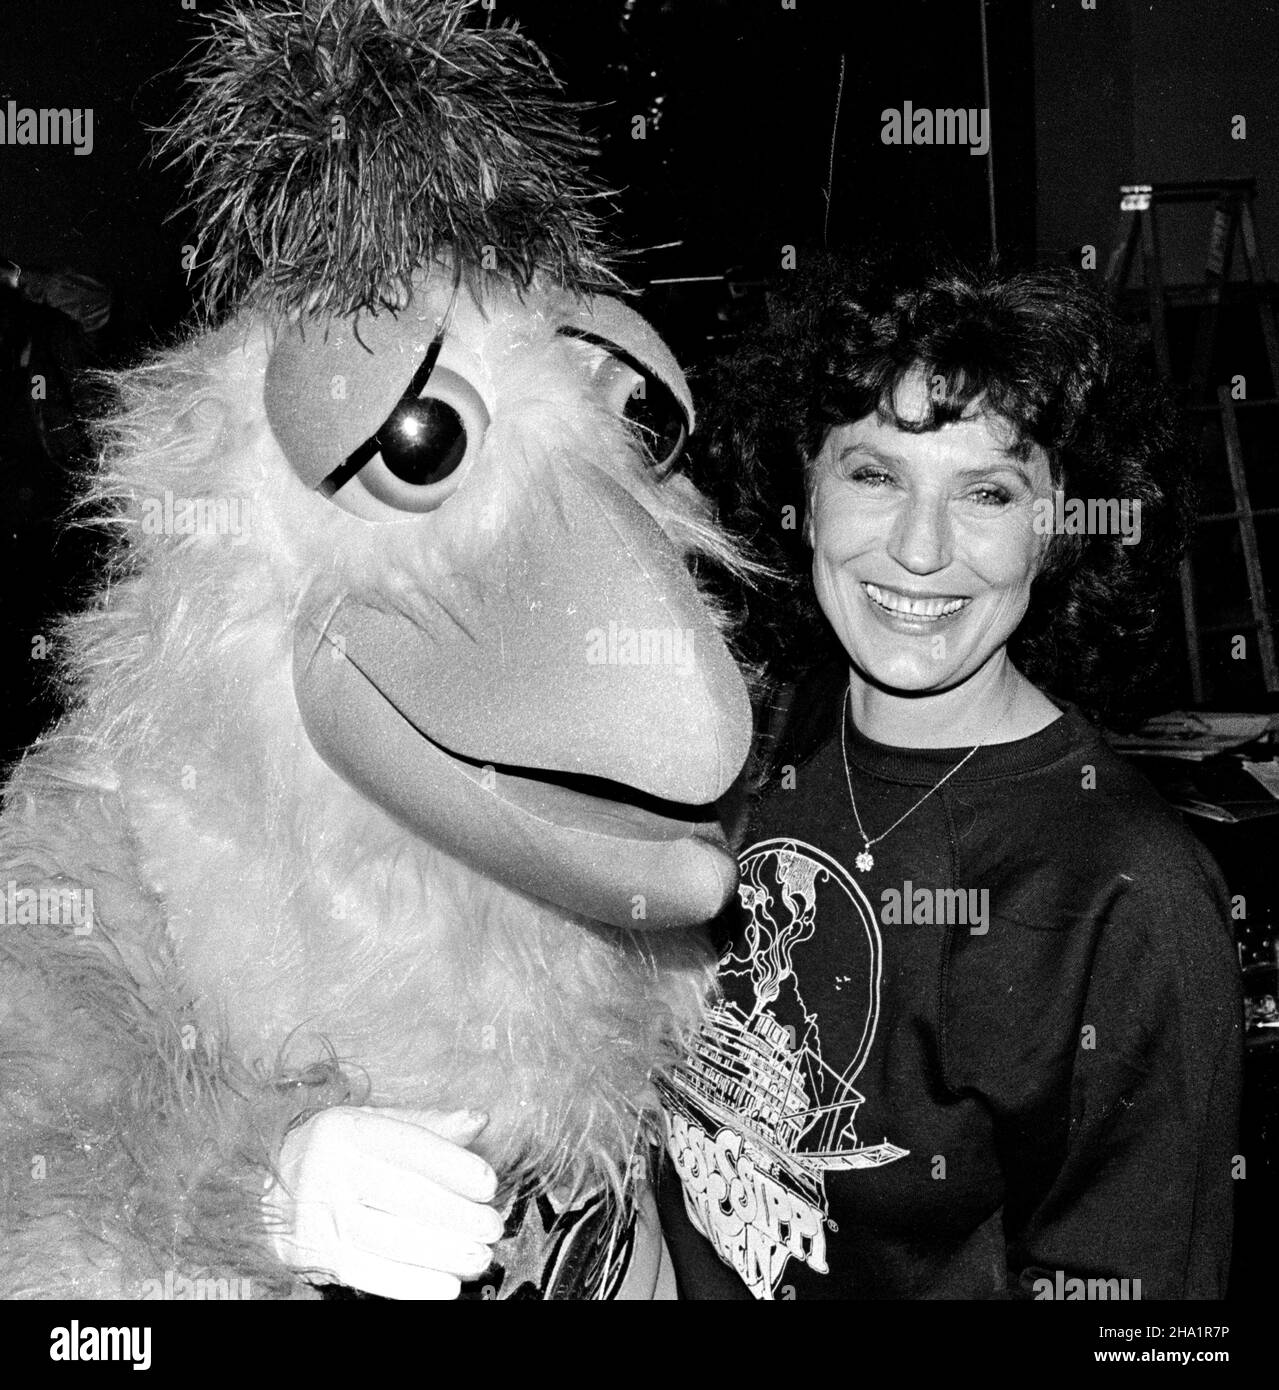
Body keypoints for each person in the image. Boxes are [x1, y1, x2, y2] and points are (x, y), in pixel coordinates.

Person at [655, 250, 1243, 1300]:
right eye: (874, 473)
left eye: (986, 490)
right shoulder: (739, 732)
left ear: (1061, 529)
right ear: (805, 484)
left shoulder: (1125, 896)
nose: (919, 551)